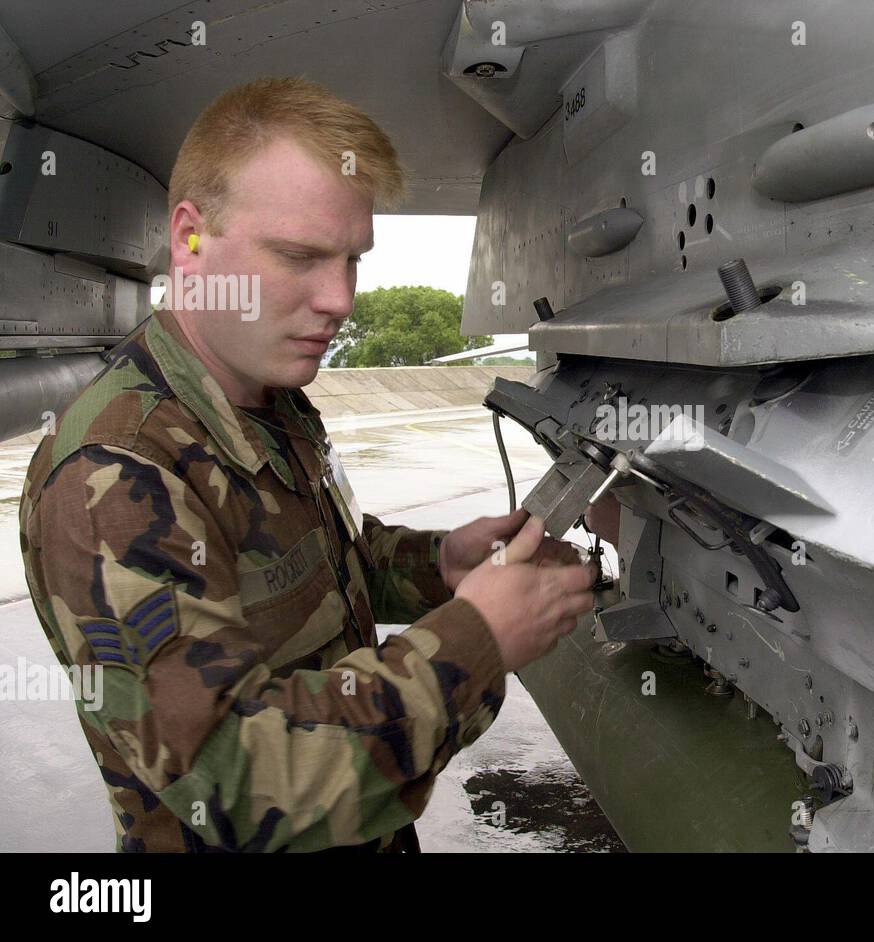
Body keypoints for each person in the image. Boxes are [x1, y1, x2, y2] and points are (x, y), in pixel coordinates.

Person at [18, 76, 597, 853]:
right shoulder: (116, 474)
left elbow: (309, 568)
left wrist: (440, 566)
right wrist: (478, 639)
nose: (340, 299)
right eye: (300, 256)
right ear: (190, 237)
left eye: (352, 260)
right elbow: (237, 785)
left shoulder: (268, 399)